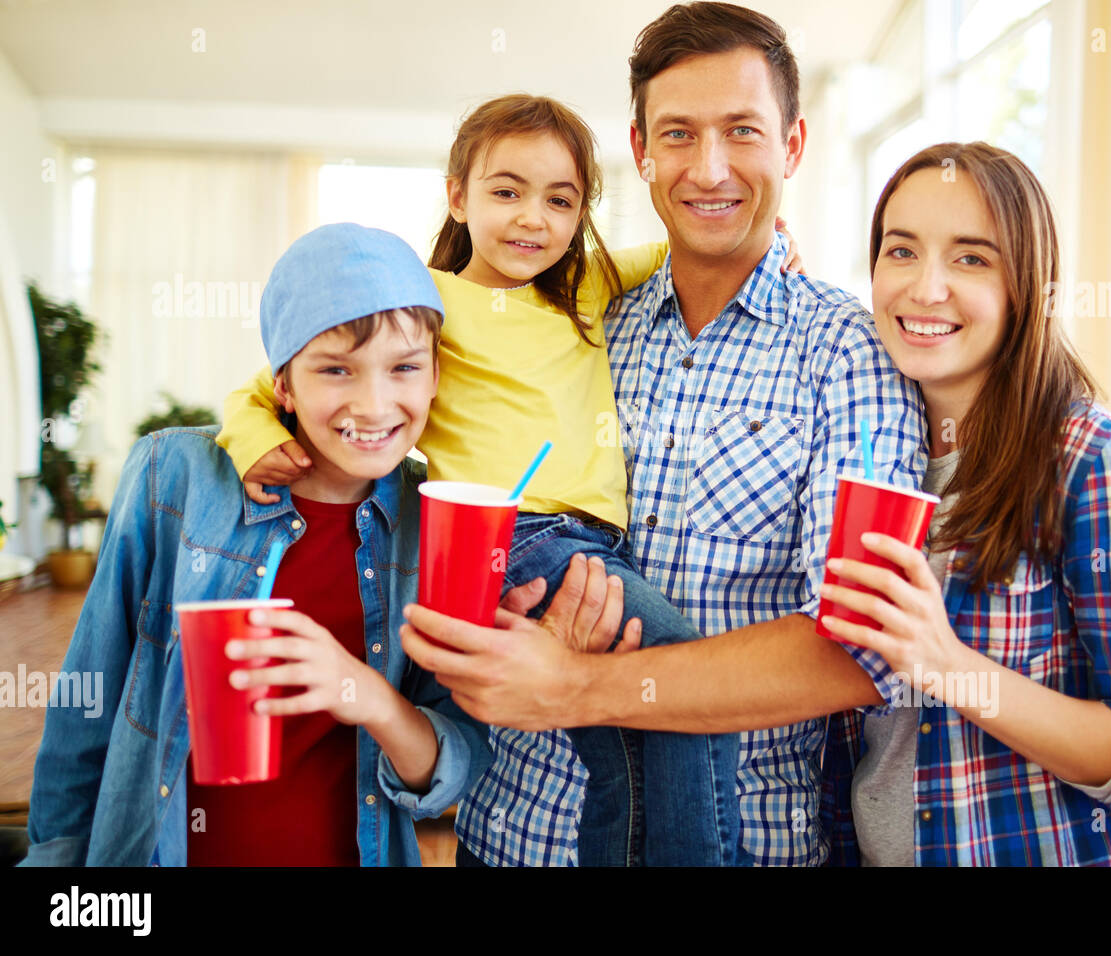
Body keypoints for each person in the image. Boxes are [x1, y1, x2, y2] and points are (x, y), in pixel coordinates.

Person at [399, 2, 929, 867]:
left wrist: (582, 685)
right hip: (518, 831)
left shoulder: (852, 353)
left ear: (793, 146)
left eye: (743, 132)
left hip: (742, 843)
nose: (709, 167)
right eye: (678, 134)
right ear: (642, 153)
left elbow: (863, 652)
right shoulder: (583, 318)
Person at [216, 94, 800, 866]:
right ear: (457, 195)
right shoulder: (429, 301)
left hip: (594, 547)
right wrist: (256, 439)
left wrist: (765, 238)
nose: (533, 218)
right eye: (506, 191)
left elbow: (680, 251)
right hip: (519, 541)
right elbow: (267, 383)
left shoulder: (583, 286)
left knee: (626, 745)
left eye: (560, 200)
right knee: (696, 689)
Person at [22, 223, 493, 866]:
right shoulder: (175, 475)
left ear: (435, 375)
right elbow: (89, 698)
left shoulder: (439, 517)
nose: (374, 403)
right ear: (284, 384)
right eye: (335, 369)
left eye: (404, 367)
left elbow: (448, 772)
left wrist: (365, 693)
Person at [816, 142, 1111, 865]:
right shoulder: (872, 455)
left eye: (971, 259)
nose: (924, 288)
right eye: (901, 251)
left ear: (1028, 285)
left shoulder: (1099, 465)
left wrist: (948, 666)